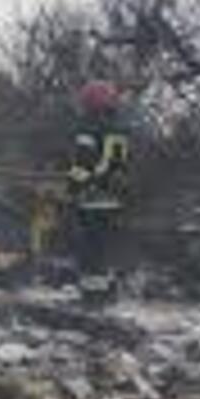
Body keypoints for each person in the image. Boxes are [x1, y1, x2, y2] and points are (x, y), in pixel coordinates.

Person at [67, 80, 129, 300]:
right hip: (113, 199)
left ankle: (92, 295)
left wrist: (71, 189)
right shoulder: (120, 130)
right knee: (104, 246)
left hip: (92, 197)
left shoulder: (89, 129)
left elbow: (83, 165)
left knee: (90, 248)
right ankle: (107, 291)